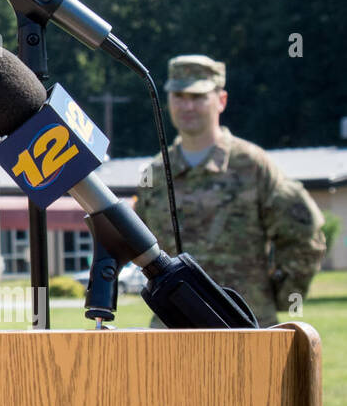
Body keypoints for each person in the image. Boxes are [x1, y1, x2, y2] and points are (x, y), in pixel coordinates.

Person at [134, 55, 324, 327]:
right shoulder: (155, 173)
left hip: (244, 324)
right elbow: (135, 241)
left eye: (198, 96)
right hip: (174, 329)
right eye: (179, 95)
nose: (187, 105)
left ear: (221, 100)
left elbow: (304, 231)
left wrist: (281, 294)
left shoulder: (252, 165)